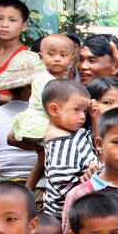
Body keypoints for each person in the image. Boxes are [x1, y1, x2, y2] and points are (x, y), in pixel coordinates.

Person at [37, 80, 96, 217]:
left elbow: (96, 146)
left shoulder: (72, 131)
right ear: (54, 110)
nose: (82, 116)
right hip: (66, 212)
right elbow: (62, 183)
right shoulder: (61, 142)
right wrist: (86, 182)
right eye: (76, 109)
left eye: (85, 111)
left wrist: (95, 117)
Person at [6, 39, 73, 143]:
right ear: (41, 57)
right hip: (42, 119)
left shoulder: (58, 80)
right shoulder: (45, 78)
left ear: (72, 59)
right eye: (51, 54)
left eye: (63, 55)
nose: (57, 59)